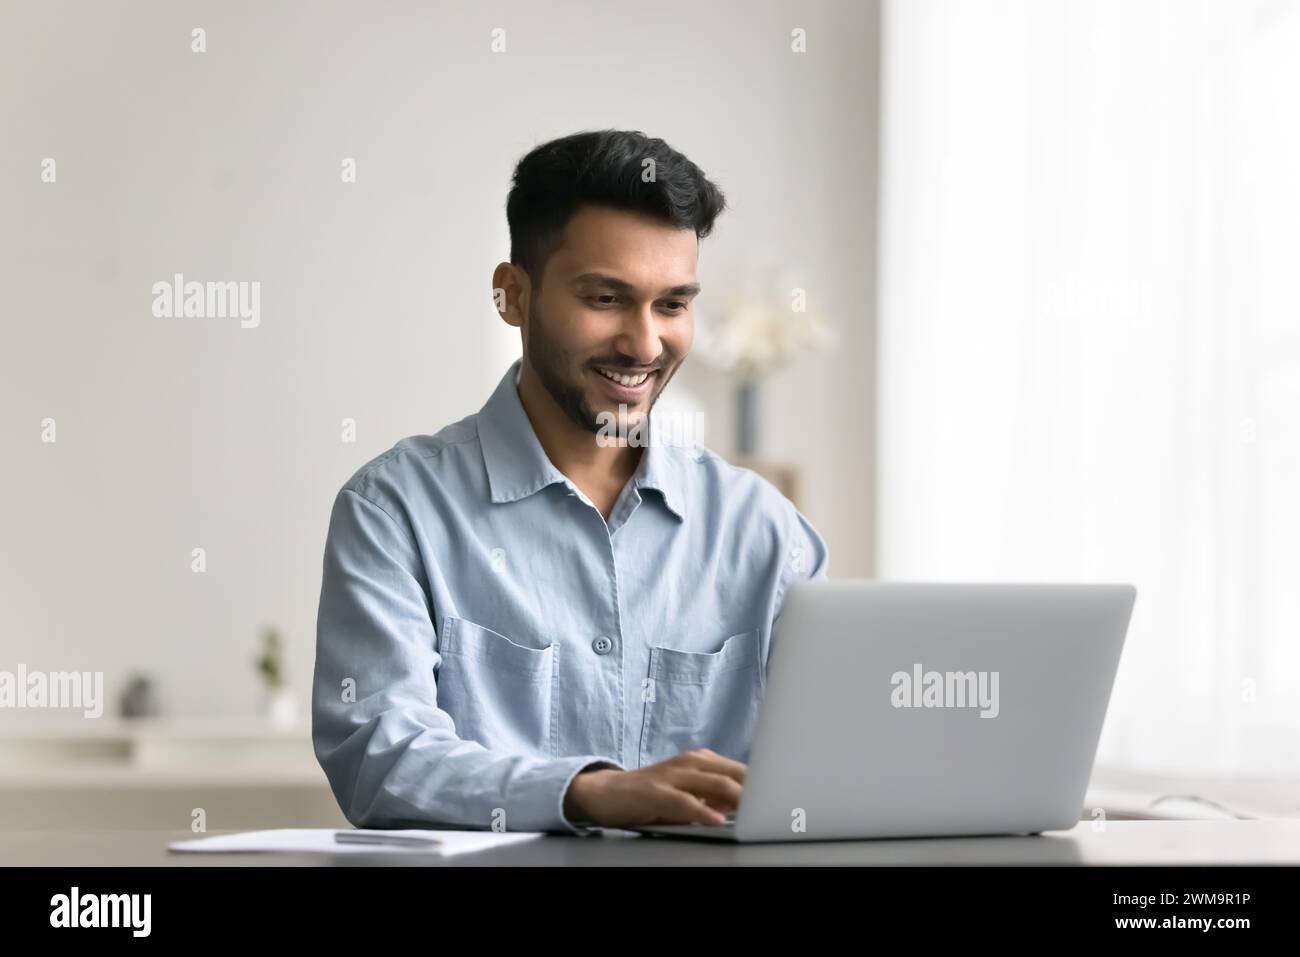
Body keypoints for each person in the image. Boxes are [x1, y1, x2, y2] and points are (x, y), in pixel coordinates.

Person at [312, 129, 828, 833]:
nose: (645, 344)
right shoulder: (394, 510)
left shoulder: (762, 528)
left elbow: (832, 765)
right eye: (607, 298)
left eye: (672, 304)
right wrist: (586, 791)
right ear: (513, 295)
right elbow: (381, 755)